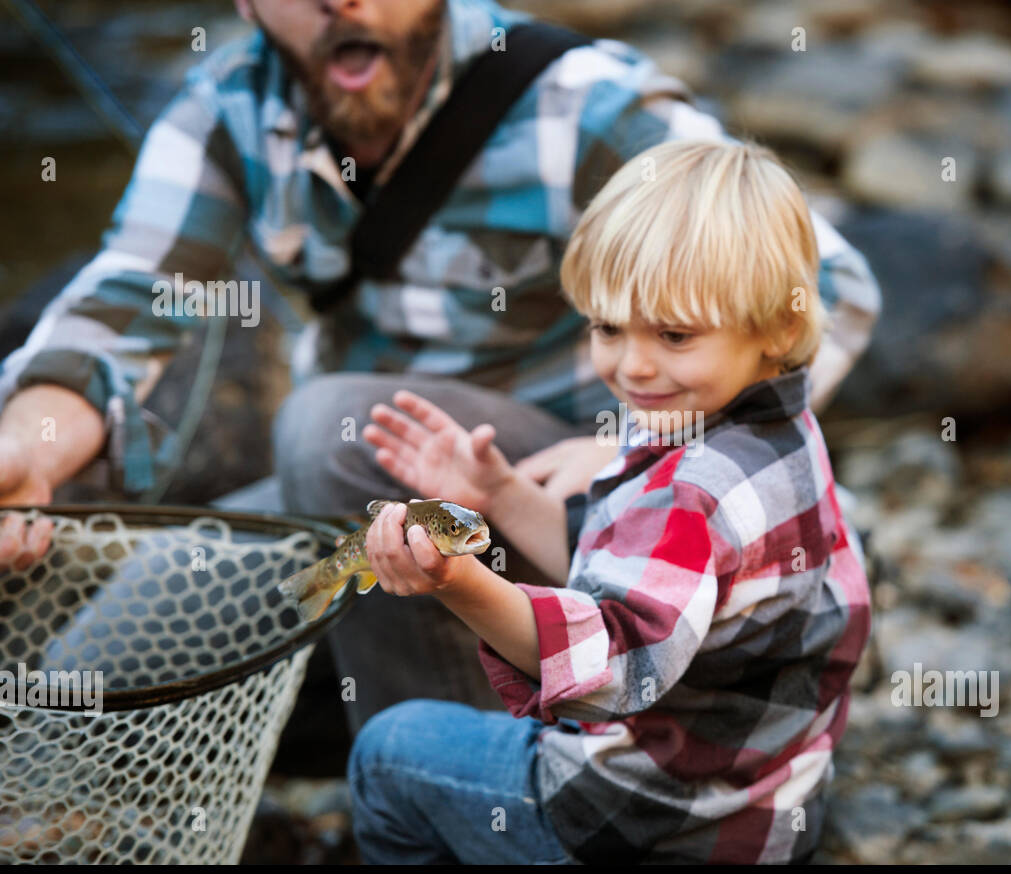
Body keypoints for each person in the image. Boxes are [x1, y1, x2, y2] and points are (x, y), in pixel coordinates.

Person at [0, 0, 880, 738]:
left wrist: (631, 444)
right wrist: (30, 447)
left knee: (323, 424)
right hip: (369, 498)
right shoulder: (227, 109)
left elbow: (833, 287)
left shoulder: (579, 105)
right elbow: (130, 294)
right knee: (94, 673)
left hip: (569, 504)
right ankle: (422, 733)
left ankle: (465, 789)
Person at [347, 140, 871, 864]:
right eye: (608, 327)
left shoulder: (694, 488)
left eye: (674, 334)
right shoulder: (775, 430)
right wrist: (500, 494)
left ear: (778, 326)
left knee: (388, 754)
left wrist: (459, 582)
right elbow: (647, 574)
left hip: (646, 820)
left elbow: (611, 661)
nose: (633, 365)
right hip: (769, 806)